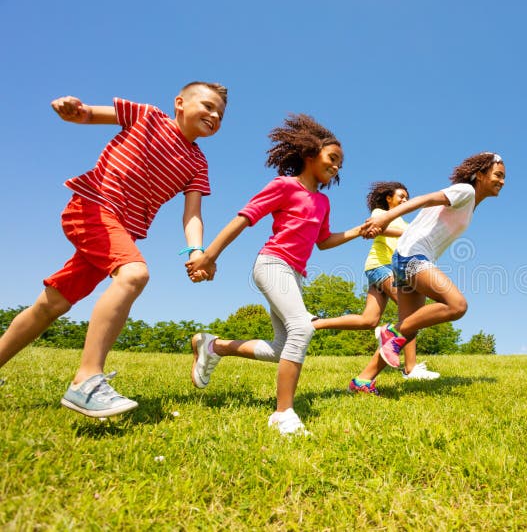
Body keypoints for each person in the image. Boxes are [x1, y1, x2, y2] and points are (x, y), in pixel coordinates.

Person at [0, 82, 228, 418]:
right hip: (93, 207)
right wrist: (72, 111)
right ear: (180, 102)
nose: (214, 115)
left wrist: (196, 250)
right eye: (208, 106)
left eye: (220, 114)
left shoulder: (198, 163)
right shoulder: (147, 116)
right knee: (134, 273)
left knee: (52, 304)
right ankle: (86, 380)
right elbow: (88, 114)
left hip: (120, 232)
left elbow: (192, 214)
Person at [185, 114, 364, 435]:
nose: (337, 166)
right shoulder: (284, 186)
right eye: (332, 158)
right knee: (302, 328)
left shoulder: (322, 201)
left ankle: (213, 346)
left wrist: (357, 231)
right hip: (272, 264)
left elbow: (323, 241)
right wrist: (208, 256)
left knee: (283, 346)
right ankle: (283, 413)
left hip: (294, 274)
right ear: (310, 154)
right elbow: (243, 218)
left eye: (341, 164)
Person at [362, 152, 505, 381]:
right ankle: (389, 331)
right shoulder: (465, 191)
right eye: (498, 175)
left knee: (407, 330)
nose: (502, 181)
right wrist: (386, 219)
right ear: (479, 174)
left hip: (408, 257)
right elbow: (423, 200)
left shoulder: (470, 203)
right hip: (412, 257)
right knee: (457, 305)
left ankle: (362, 380)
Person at [312, 181, 440, 395]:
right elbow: (384, 227)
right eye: (401, 196)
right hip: (382, 267)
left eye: (408, 198)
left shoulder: (401, 220)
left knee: (368, 320)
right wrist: (416, 231)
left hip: (382, 270)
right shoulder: (381, 212)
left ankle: (315, 323)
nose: (405, 200)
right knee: (412, 316)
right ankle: (410, 368)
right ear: (388, 198)